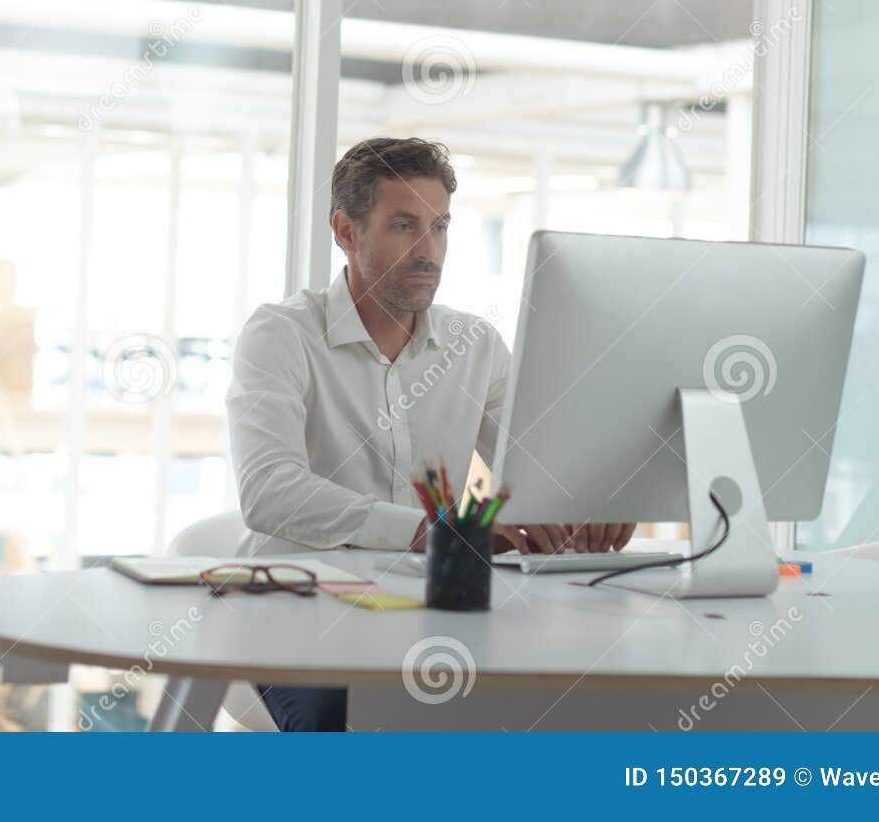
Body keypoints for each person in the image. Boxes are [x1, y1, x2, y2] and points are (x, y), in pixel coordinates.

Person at [226, 137, 635, 731]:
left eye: (439, 227)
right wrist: (433, 532)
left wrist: (588, 505)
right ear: (346, 231)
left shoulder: (475, 345)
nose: (428, 251)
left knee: (572, 703)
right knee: (347, 728)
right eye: (404, 226)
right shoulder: (282, 334)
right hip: (302, 608)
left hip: (433, 610)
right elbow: (269, 489)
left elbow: (537, 466)